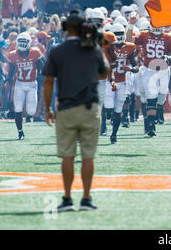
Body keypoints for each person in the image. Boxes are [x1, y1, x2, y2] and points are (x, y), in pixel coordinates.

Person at [42, 11, 110, 212]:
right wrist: (101, 47)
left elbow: (47, 82)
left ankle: (67, 198)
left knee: (67, 156)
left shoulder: (57, 51)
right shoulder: (93, 49)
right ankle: (87, 199)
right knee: (88, 156)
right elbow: (104, 72)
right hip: (90, 107)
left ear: (65, 29)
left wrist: (47, 109)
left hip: (66, 107)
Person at [7, 32, 44, 139]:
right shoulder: (13, 55)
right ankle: (20, 132)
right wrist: (9, 79)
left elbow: (42, 68)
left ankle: (26, 122)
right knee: (17, 109)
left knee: (31, 111)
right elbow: (12, 69)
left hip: (32, 84)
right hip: (20, 84)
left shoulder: (35, 53)